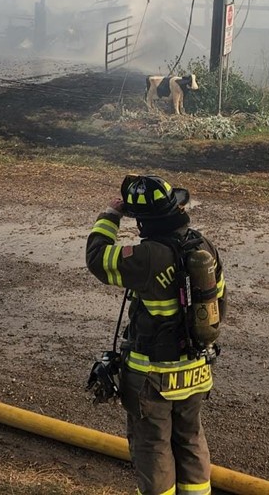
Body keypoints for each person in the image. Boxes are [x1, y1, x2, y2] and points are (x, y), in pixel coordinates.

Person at [86, 174, 227, 495]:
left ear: (143, 220)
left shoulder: (146, 257)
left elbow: (96, 257)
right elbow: (220, 305)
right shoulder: (204, 246)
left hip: (153, 377)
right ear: (175, 208)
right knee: (190, 439)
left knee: (153, 447)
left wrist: (110, 215)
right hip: (197, 370)